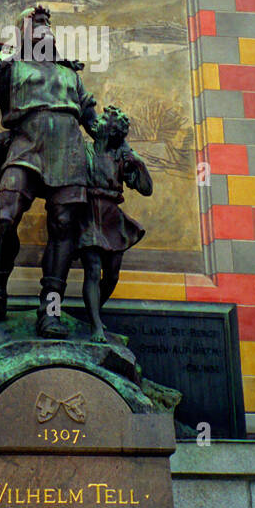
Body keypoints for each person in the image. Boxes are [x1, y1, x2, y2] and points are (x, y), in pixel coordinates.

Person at [0, 3, 97, 337]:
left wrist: (117, 148)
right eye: (37, 21)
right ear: (22, 32)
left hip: (68, 151)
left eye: (48, 22)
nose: (46, 25)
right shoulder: (11, 69)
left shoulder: (70, 74)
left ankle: (51, 310)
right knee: (6, 217)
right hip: (25, 146)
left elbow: (92, 120)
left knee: (63, 226)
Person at [79, 106, 153, 340]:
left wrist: (139, 163)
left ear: (112, 131)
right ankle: (96, 325)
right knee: (92, 269)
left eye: (103, 120)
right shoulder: (83, 149)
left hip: (111, 216)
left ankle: (94, 314)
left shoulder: (121, 158)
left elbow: (146, 189)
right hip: (87, 212)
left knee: (111, 275)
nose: (97, 122)